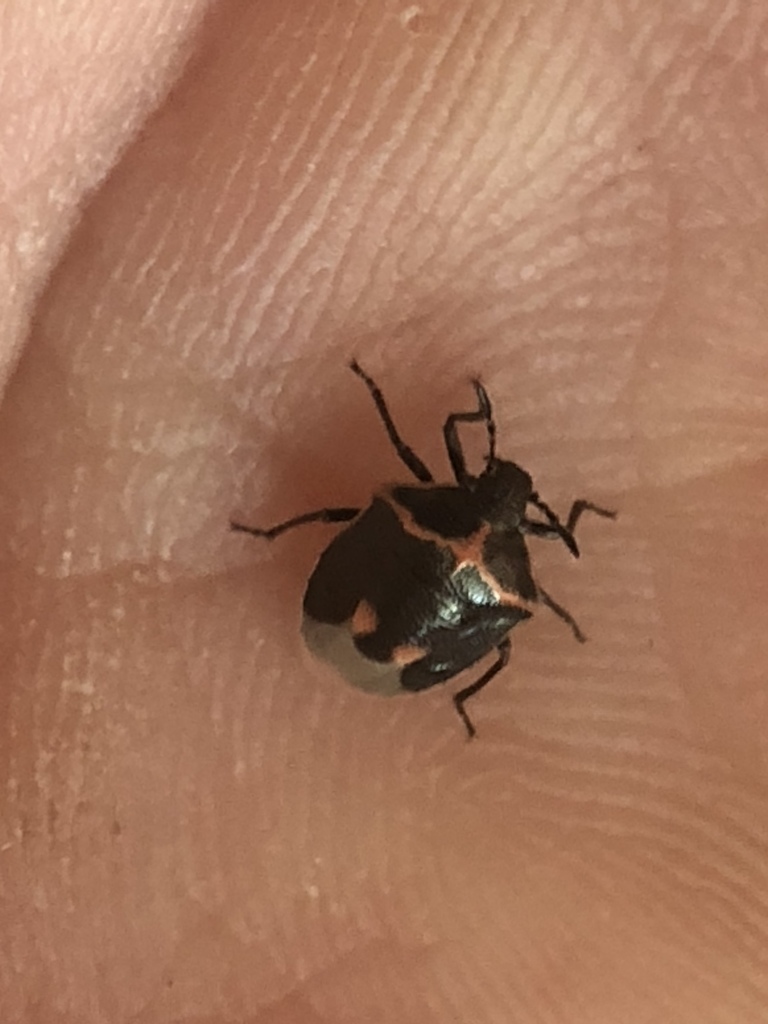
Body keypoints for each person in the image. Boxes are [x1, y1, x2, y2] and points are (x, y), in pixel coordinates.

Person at [2, 1, 765, 1019]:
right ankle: (434, 686)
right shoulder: (504, 582)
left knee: (354, 515)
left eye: (506, 486)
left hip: (383, 596)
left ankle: (287, 552)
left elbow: (418, 460)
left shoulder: (433, 503)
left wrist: (373, 391)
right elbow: (486, 583)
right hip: (397, 624)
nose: (507, 485)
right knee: (456, 600)